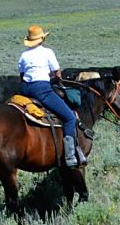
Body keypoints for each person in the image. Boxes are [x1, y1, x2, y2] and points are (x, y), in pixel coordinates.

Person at [17, 25, 82, 167]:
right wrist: (56, 78)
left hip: (25, 89)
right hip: (42, 90)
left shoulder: (24, 55)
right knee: (70, 117)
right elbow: (57, 72)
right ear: (42, 39)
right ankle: (70, 155)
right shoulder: (47, 52)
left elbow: (22, 75)